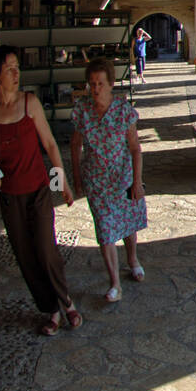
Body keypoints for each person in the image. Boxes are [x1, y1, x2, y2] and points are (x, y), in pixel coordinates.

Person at [0, 46, 80, 336]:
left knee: (46, 250)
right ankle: (52, 311)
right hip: (10, 197)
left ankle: (67, 301)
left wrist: (63, 184)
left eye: (17, 67)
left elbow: (49, 144)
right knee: (25, 255)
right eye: (9, 68)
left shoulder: (29, 102)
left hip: (37, 190)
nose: (16, 73)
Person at [70, 57, 146, 302]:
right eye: (92, 83)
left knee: (127, 222)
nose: (95, 88)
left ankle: (132, 259)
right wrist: (77, 178)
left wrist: (136, 181)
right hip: (96, 181)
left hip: (122, 177)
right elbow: (75, 146)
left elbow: (135, 148)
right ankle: (114, 283)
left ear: (111, 83)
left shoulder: (123, 111)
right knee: (104, 229)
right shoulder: (82, 110)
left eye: (100, 83)